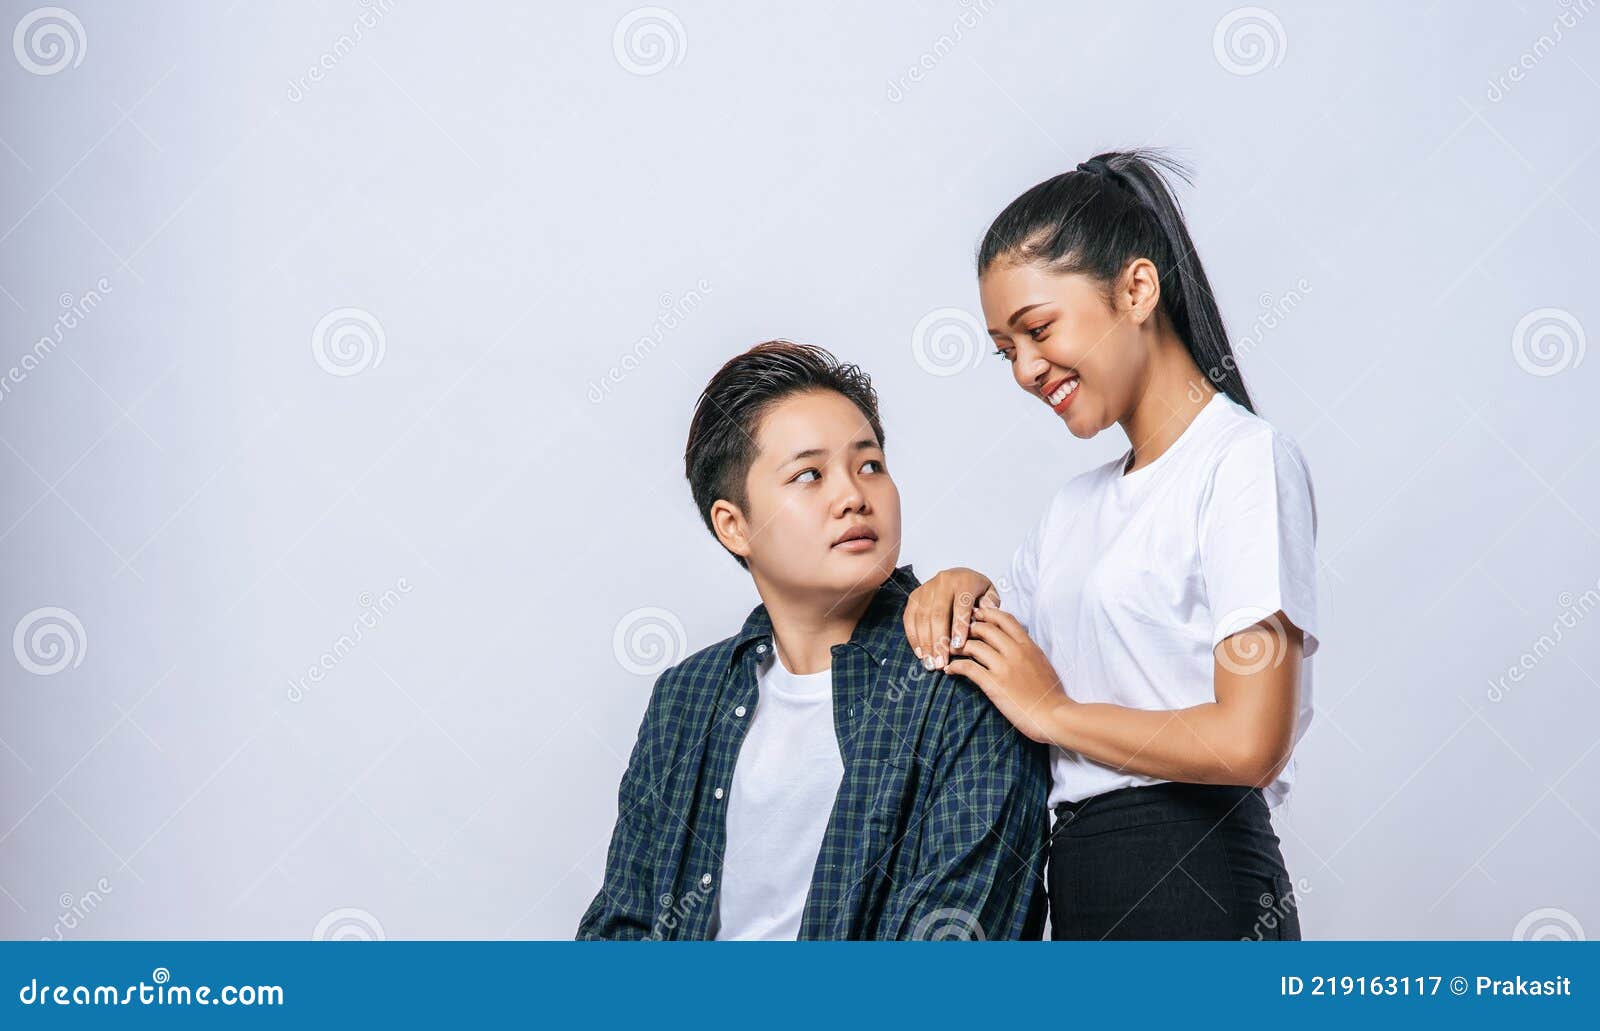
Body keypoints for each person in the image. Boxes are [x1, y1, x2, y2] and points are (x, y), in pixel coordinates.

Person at [904, 150, 1319, 940]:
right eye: (1006, 351)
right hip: (1081, 884)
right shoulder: (1071, 509)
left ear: (1136, 289)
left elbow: (1250, 739)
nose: (1026, 369)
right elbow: (1002, 676)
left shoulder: (1242, 461)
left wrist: (1055, 712)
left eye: (1037, 329)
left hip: (1198, 881)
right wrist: (958, 586)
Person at [578, 340, 1049, 940]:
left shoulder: (963, 671)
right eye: (809, 475)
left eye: (870, 465)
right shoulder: (685, 699)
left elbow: (958, 932)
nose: (853, 497)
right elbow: (622, 921)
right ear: (734, 525)